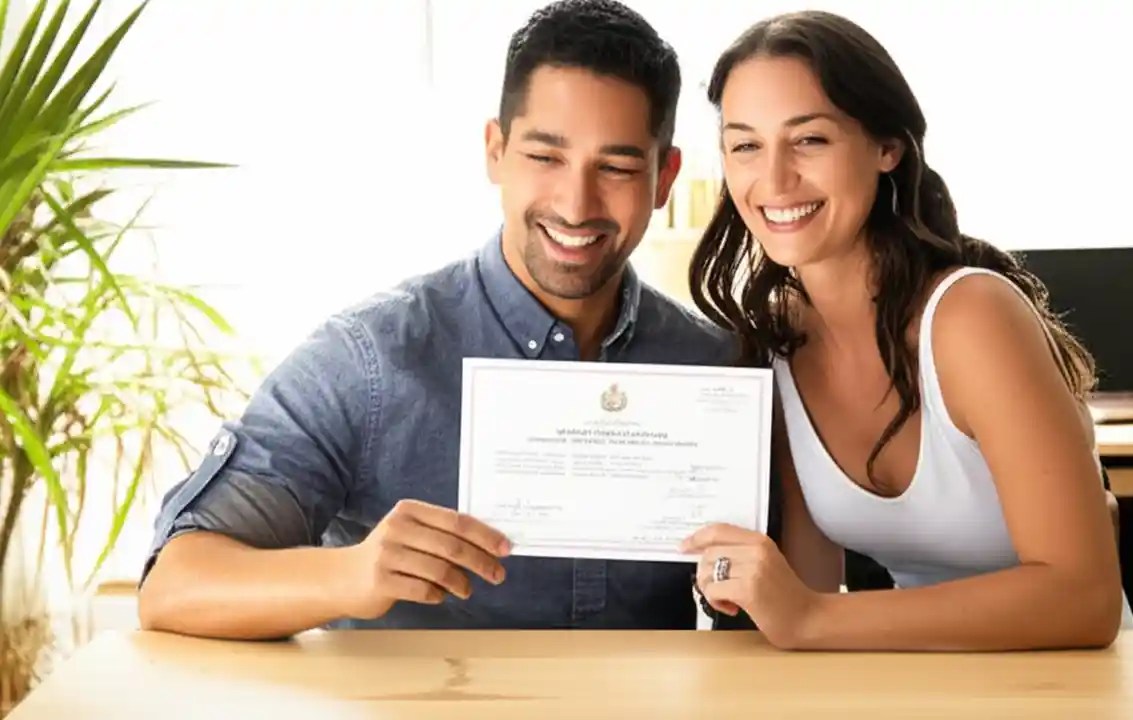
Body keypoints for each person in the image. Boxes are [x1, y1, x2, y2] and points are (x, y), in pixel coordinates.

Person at [137, 0, 737, 639]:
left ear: (664, 177)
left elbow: (775, 616)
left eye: (615, 167)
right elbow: (175, 584)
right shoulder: (370, 360)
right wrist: (350, 575)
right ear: (496, 151)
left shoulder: (720, 372)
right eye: (545, 157)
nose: (575, 202)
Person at [680, 10, 1133, 651]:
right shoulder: (779, 340)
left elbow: (1085, 599)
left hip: (1070, 681)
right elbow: (806, 587)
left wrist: (810, 617)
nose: (774, 180)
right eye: (746, 144)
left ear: (886, 147)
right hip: (912, 676)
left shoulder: (971, 318)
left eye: (809, 140)